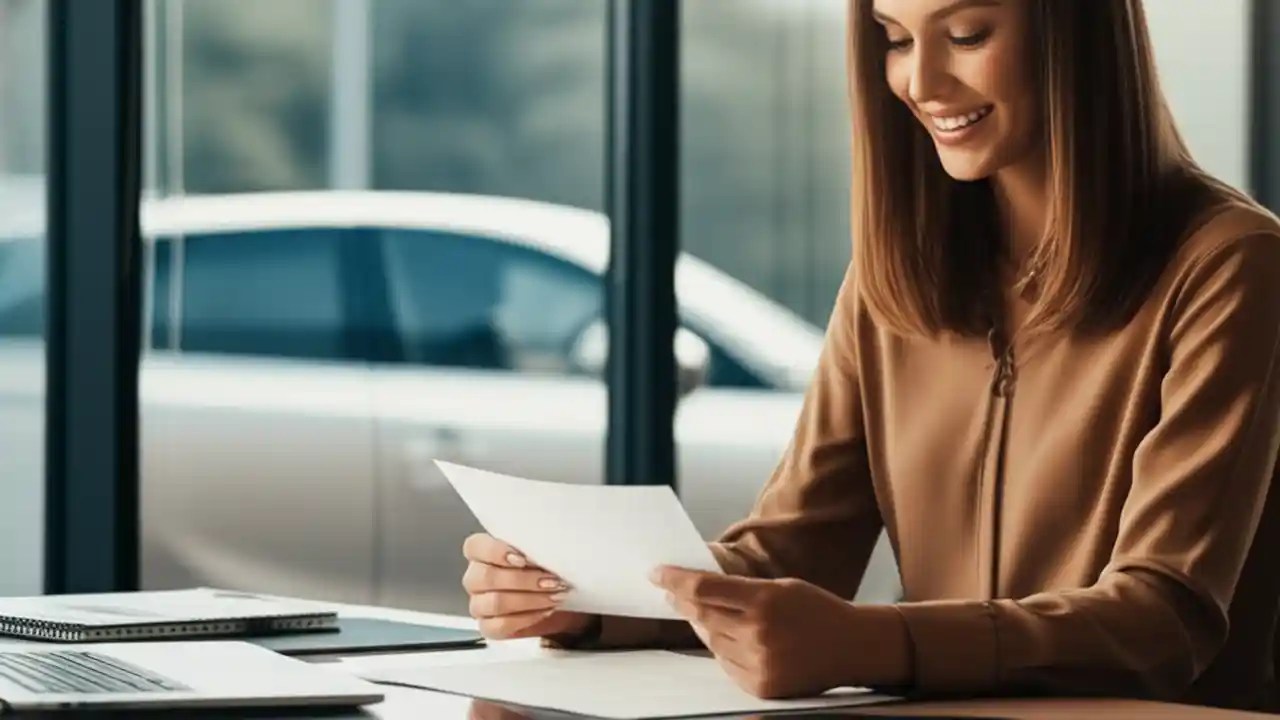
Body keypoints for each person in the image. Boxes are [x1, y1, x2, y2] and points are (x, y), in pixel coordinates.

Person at [460, 0, 1280, 710]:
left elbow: (1160, 620)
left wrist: (873, 645)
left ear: (1076, 38)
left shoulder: (1231, 265)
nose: (921, 82)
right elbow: (789, 551)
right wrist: (586, 602)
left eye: (965, 34)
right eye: (894, 37)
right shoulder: (898, 275)